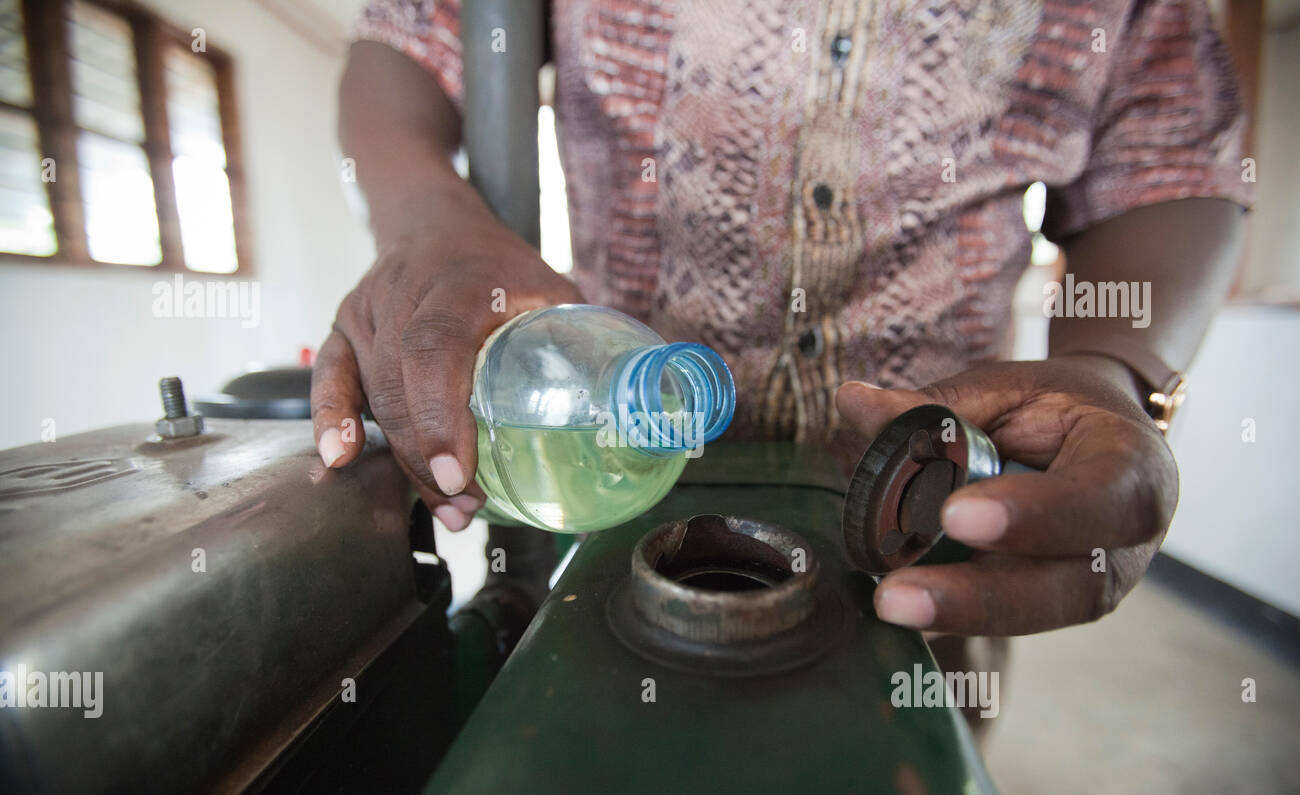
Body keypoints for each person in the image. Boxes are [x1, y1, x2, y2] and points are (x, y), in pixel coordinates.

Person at [311, 0, 1251, 638]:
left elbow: (1169, 160)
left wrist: (1118, 368)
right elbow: (409, 41)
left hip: (924, 512)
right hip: (614, 511)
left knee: (900, 769)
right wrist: (432, 221)